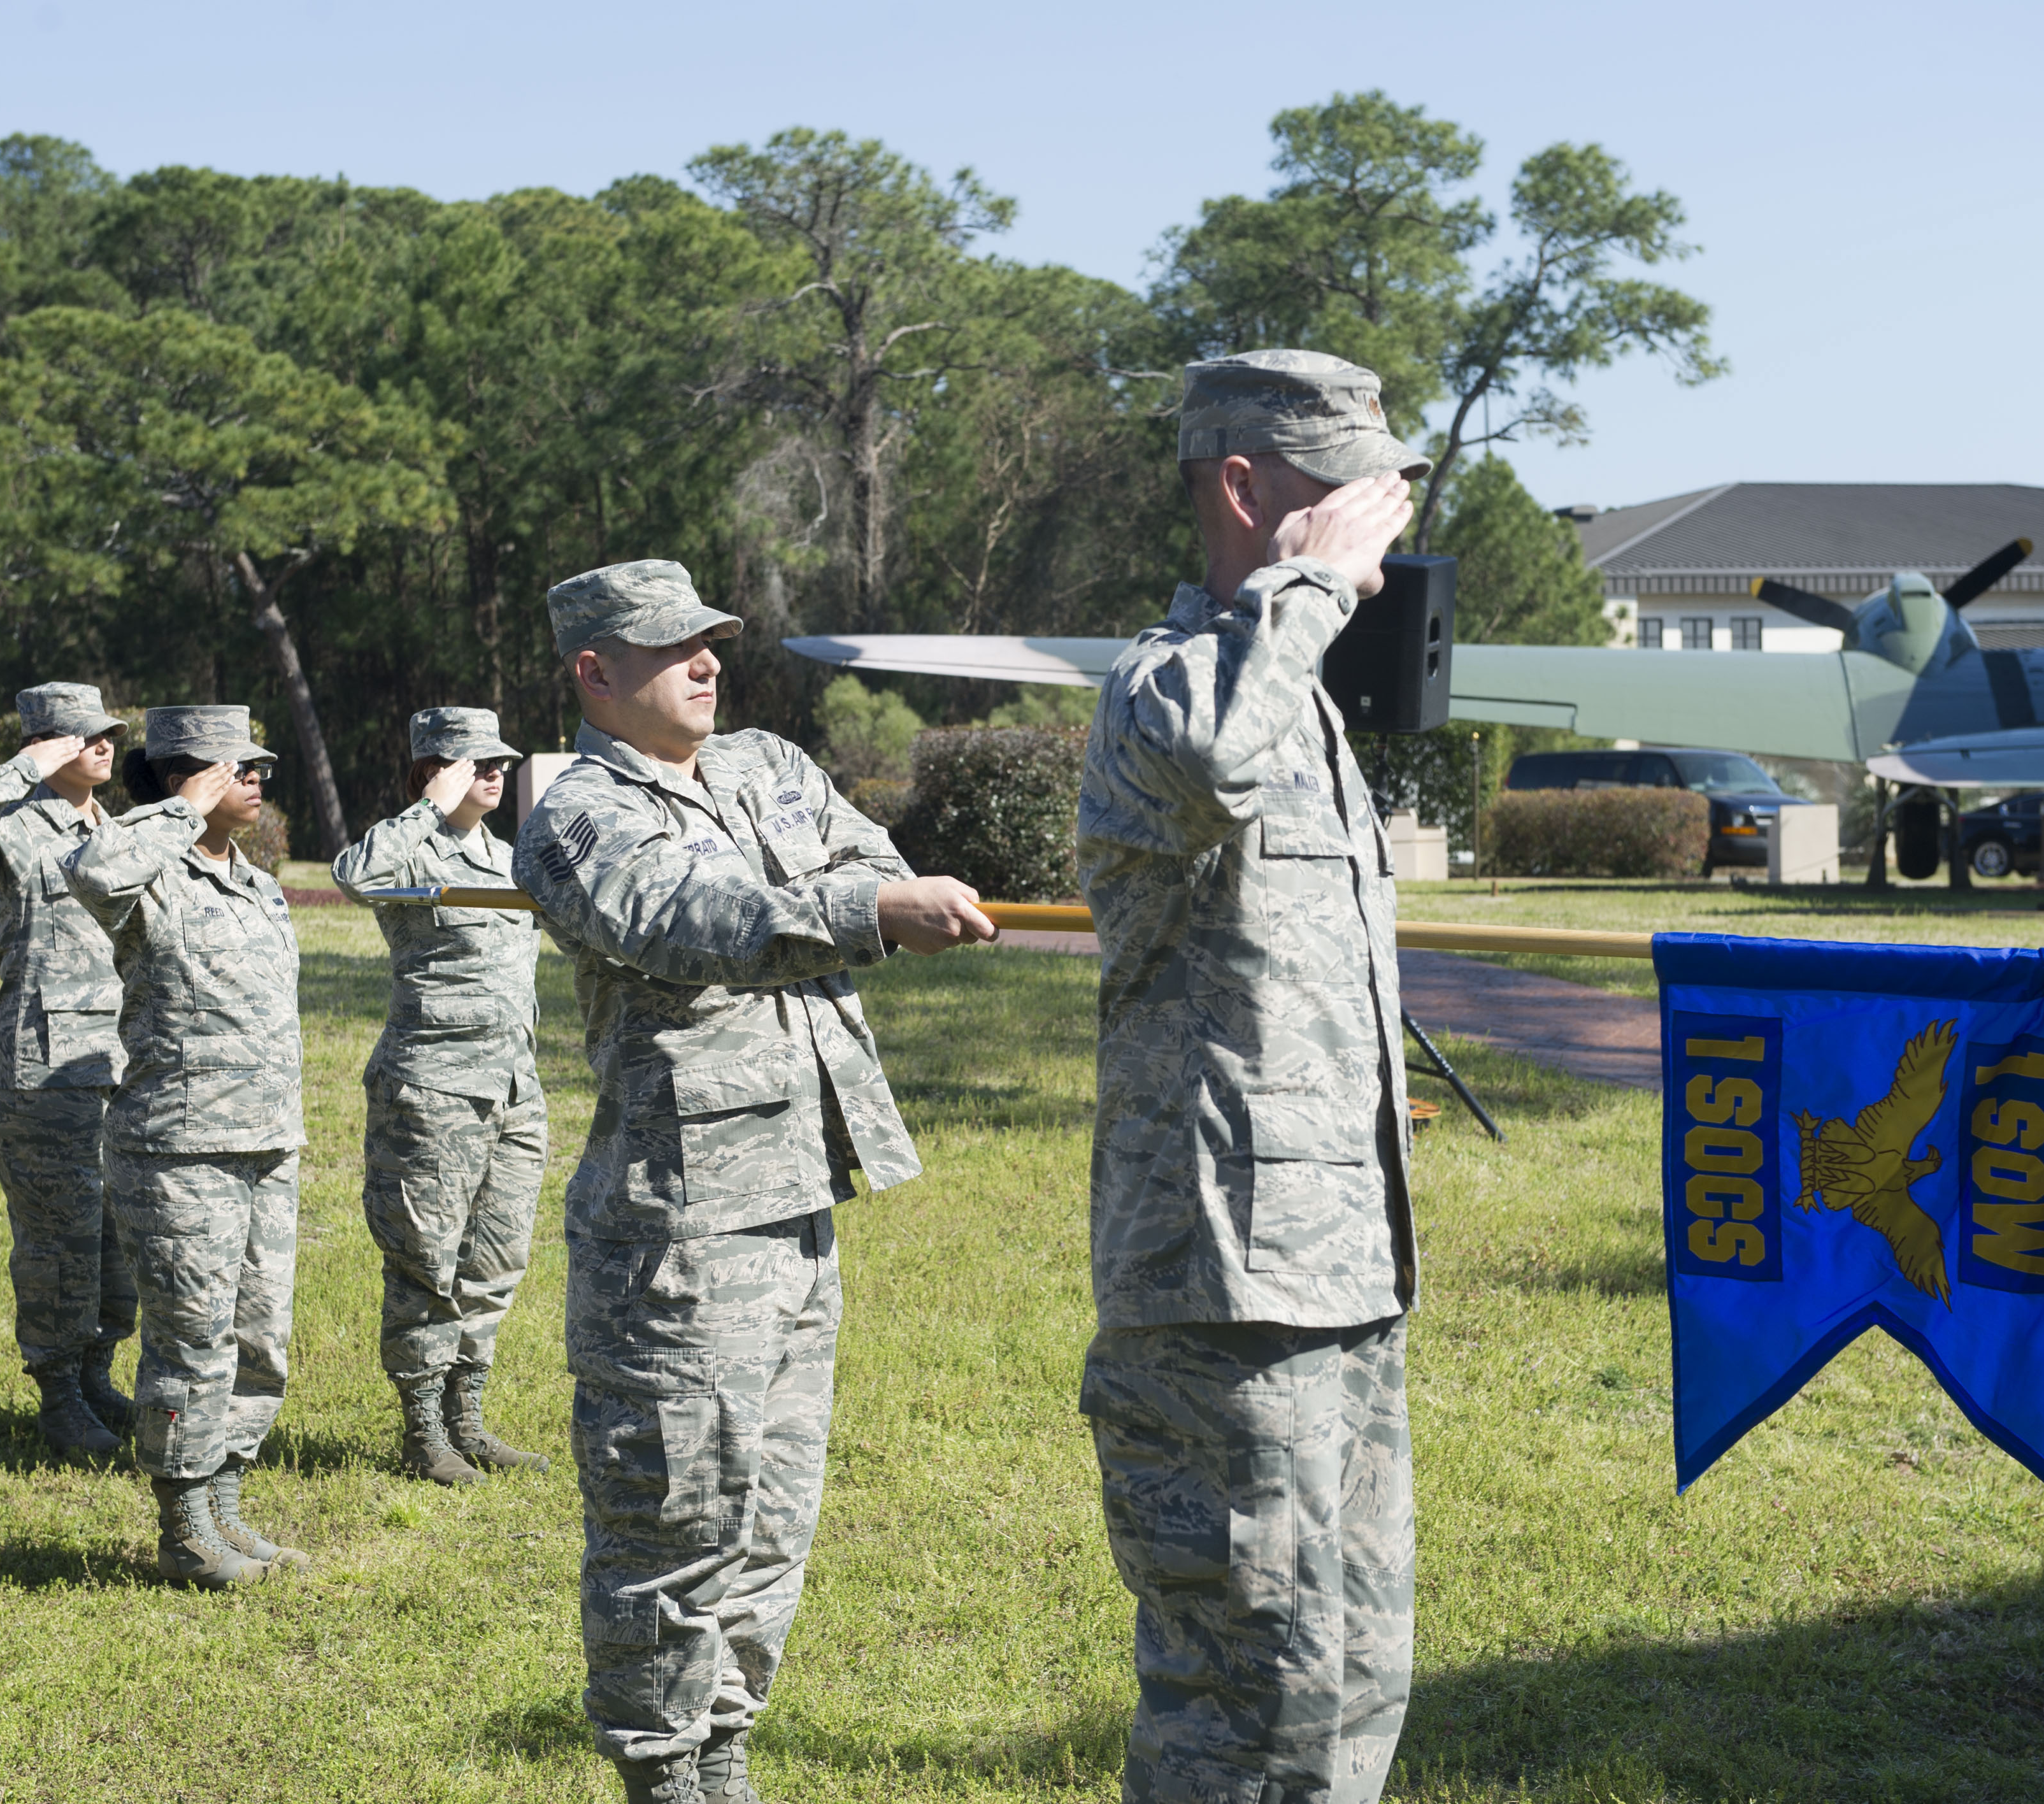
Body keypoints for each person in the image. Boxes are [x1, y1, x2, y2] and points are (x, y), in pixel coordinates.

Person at [517, 559, 997, 1804]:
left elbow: (861, 858)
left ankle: (723, 1757)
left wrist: (857, 897)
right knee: (671, 1526)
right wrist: (858, 904)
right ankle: (664, 1777)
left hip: (792, 1200)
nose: (707, 661)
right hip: (675, 1229)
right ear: (595, 674)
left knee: (769, 1523)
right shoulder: (577, 814)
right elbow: (687, 916)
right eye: (675, 647)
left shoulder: (767, 764)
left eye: (713, 641)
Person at [1075, 349, 1426, 1804]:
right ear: (1244, 487)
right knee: (1248, 1700)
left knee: (1355, 1682)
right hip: (1220, 1291)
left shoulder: (1311, 703)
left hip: (1343, 1278)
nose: (1381, 526)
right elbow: (1216, 755)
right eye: (1352, 493)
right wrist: (1314, 586)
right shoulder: (1172, 688)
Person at [66, 705, 307, 1589]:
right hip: (180, 1146)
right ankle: (181, 1521)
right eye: (233, 767)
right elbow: (90, 868)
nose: (254, 780)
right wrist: (176, 811)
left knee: (258, 1339)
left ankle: (225, 1503)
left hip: (268, 1140)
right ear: (182, 776)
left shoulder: (252, 877)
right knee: (191, 1339)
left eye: (258, 768)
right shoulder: (149, 868)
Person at [0, 683, 136, 1458]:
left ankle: (100, 1371)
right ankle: (60, 1392)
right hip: (44, 1067)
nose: (102, 745)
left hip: (125, 1056)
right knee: (59, 1240)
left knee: (119, 1235)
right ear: (46, 744)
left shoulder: (120, 828)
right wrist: (24, 769)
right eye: (83, 736)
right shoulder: (10, 826)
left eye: (108, 732)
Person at [331, 707, 548, 1486]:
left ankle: (469, 1418)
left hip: (513, 1090)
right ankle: (422, 1429)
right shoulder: (407, 848)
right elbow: (351, 876)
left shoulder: (505, 855)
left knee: (495, 1258)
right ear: (433, 769)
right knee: (426, 1260)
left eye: (500, 761)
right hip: (432, 1092)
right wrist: (430, 802)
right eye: (474, 761)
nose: (494, 772)